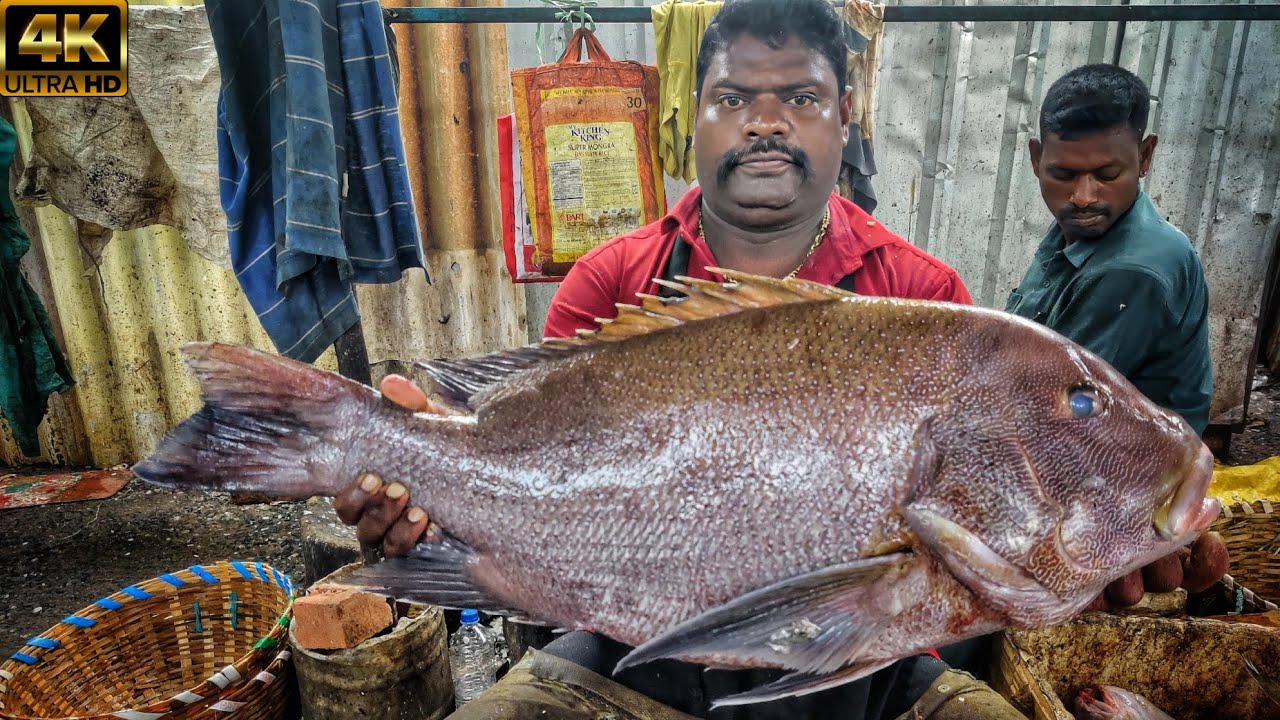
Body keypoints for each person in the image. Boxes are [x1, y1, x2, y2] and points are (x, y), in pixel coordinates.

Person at [333, 10, 1224, 717]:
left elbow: (984, 551)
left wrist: (1089, 561)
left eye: (800, 96)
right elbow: (496, 456)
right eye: (733, 98)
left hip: (867, 682)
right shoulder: (614, 279)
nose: (765, 122)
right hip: (623, 662)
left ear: (846, 115)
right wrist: (419, 490)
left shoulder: (924, 294)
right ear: (692, 118)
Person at [1008, 64, 1225, 612]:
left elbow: (1055, 421)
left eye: (1107, 174)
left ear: (1145, 157)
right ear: (1036, 157)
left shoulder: (1134, 270)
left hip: (1109, 493)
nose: (1083, 196)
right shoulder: (1081, 234)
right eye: (1063, 174)